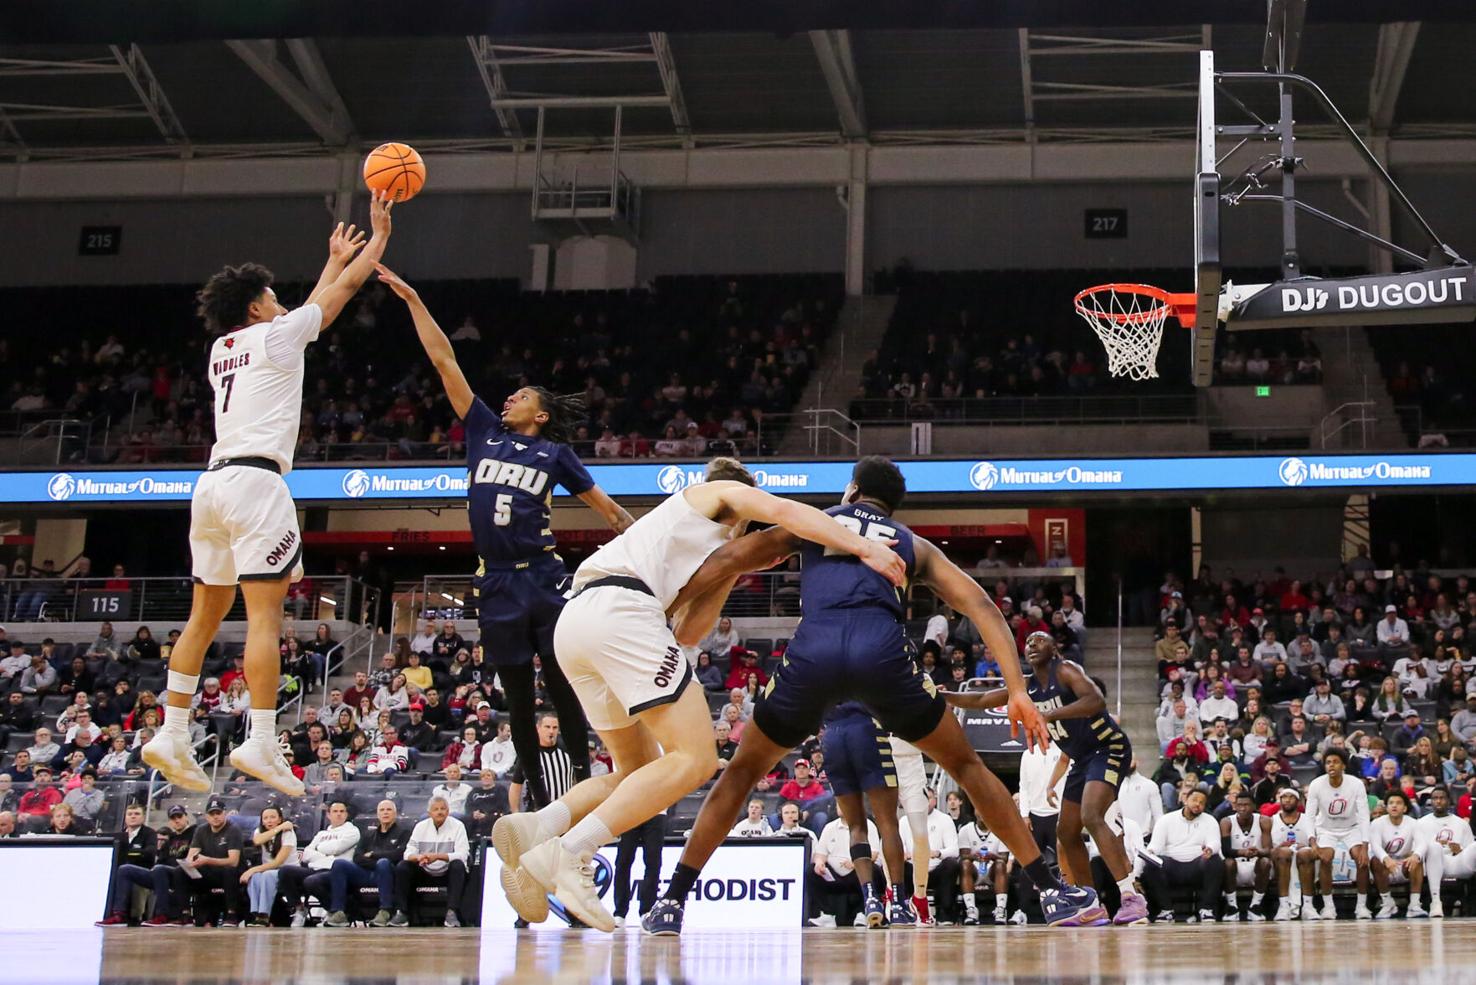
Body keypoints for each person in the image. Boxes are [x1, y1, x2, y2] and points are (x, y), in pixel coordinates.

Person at [632, 457, 1098, 937]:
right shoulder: (913, 544)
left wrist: (662, 607)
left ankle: (672, 902)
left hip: (816, 650)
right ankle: (1050, 891)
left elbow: (727, 560)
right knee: (965, 767)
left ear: (851, 490)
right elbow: (980, 604)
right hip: (883, 654)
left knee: (744, 770)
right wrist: (1017, 689)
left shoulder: (817, 520)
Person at [493, 455, 910, 932]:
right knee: (695, 759)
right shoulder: (712, 492)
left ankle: (540, 827)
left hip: (578, 621)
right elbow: (793, 512)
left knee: (638, 770)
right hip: (623, 611)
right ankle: (569, 852)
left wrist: (733, 565)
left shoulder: (682, 543)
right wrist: (863, 547)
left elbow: (689, 631)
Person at [143, 197, 394, 796]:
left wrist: (328, 262)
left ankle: (172, 730)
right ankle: (259, 739)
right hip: (257, 485)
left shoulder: (222, 350)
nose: (283, 303)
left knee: (203, 616)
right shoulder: (278, 337)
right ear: (258, 306)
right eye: (273, 297)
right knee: (265, 617)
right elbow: (338, 297)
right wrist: (378, 238)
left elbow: (304, 309)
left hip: (210, 486)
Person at [377, 265, 633, 812]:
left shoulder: (554, 454)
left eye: (520, 396)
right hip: (495, 583)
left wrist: (640, 539)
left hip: (543, 575)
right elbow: (445, 361)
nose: (510, 397)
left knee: (563, 686)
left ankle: (585, 780)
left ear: (539, 414)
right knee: (516, 699)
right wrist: (415, 299)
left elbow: (606, 508)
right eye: (510, 394)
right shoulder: (484, 432)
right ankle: (539, 796)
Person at [988, 633, 1147, 924]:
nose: (1032, 644)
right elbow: (986, 697)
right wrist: (940, 696)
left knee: (1091, 815)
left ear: (1055, 648)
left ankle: (1131, 897)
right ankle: (1090, 903)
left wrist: (1050, 716)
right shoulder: (1026, 687)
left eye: (1039, 640)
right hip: (1082, 758)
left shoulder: (1066, 671)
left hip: (1108, 747)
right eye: (1029, 642)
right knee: (1066, 832)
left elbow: (1095, 700)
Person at [819, 702, 911, 927]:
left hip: (831, 736)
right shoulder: (866, 665)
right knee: (888, 823)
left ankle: (870, 899)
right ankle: (898, 905)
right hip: (865, 729)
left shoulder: (819, 665)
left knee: (855, 826)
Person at [1305, 749, 1373, 920]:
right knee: (1325, 858)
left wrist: (1365, 845)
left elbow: (1364, 815)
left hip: (1352, 827)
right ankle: (1328, 907)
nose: (1331, 765)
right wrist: (1313, 842)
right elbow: (1310, 816)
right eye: (1328, 762)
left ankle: (1361, 906)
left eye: (1335, 762)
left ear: (1343, 765)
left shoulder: (1356, 784)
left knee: (1362, 860)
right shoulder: (1316, 784)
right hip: (1326, 829)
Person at [324, 799, 410, 928]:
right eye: (382, 810)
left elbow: (399, 855)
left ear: (395, 813)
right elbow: (357, 857)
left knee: (383, 863)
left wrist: (373, 855)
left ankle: (385, 911)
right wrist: (377, 860)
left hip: (389, 874)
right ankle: (338, 912)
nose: (385, 813)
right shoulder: (368, 834)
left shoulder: (404, 832)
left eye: (389, 810)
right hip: (367, 872)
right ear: (377, 814)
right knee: (340, 864)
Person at [1143, 788, 1223, 923]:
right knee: (1152, 863)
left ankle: (1206, 909)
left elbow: (1214, 842)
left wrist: (1210, 849)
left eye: (1202, 803)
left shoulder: (1210, 820)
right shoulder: (1166, 819)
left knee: (1215, 861)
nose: (1198, 804)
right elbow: (1156, 844)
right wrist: (1151, 851)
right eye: (1195, 800)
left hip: (1197, 864)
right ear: (1185, 800)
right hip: (1172, 864)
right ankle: (1166, 910)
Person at [278, 800, 361, 927]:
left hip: (337, 871)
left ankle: (337, 912)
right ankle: (299, 909)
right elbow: (306, 853)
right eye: (335, 811)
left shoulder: (352, 831)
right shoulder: (322, 833)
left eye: (341, 811)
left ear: (346, 814)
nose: (338, 814)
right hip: (316, 868)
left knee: (311, 881)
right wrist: (325, 854)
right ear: (328, 815)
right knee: (285, 871)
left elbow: (337, 848)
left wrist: (319, 849)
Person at [391, 796, 469, 928]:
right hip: (425, 870)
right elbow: (407, 854)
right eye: (436, 809)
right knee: (403, 866)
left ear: (448, 811)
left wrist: (438, 856)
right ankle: (402, 913)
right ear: (429, 813)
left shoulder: (458, 826)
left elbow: (463, 855)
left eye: (443, 809)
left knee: (458, 865)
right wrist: (419, 857)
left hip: (447, 871)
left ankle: (452, 913)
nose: (440, 812)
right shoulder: (420, 827)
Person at [888, 733, 938, 924]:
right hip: (884, 758)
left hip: (912, 761)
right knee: (888, 829)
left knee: (920, 833)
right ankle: (890, 893)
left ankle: (920, 896)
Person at [95, 803, 160, 925]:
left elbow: (149, 853)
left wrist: (128, 853)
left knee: (124, 870)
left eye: (137, 814)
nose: (133, 817)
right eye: (130, 814)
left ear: (143, 817)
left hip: (143, 872)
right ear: (125, 817)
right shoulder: (119, 835)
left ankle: (120, 914)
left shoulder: (149, 833)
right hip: (120, 871)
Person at [186, 797, 246, 926]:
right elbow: (191, 856)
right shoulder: (201, 830)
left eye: (218, 813)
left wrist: (207, 860)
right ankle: (183, 915)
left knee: (229, 871)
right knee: (181, 871)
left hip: (233, 873)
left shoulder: (233, 830)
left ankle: (231, 914)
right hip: (211, 872)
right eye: (212, 814)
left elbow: (233, 861)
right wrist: (191, 862)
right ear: (207, 817)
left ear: (225, 813)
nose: (215, 817)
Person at [1417, 785, 1474, 918]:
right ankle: (1436, 902)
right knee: (1434, 847)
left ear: (1448, 800)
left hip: (1455, 862)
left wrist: (1460, 850)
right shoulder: (1421, 823)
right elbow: (1416, 850)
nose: (1438, 801)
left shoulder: (1461, 823)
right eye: (1435, 798)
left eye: (1442, 798)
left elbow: (1470, 850)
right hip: (1431, 865)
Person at [1369, 790, 1427, 919]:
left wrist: (1415, 855)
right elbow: (1375, 846)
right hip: (1386, 867)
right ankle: (1387, 903)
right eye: (1391, 803)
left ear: (1405, 808)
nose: (1394, 806)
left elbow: (1422, 844)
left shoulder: (1413, 823)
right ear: (1387, 807)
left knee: (1417, 859)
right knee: (1375, 860)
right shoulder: (1377, 823)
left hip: (1405, 865)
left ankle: (1414, 905)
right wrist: (1386, 858)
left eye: (1398, 803)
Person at [506, 712, 578, 812]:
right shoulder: (529, 755)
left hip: (565, 810)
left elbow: (576, 781)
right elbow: (516, 786)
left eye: (555, 727)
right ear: (538, 728)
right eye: (547, 727)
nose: (551, 731)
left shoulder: (568, 752)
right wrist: (515, 812)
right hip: (538, 812)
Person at [241, 805, 297, 926]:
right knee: (255, 877)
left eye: (273, 817)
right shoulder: (259, 831)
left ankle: (264, 915)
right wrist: (279, 827)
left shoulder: (288, 833)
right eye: (265, 818)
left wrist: (253, 869)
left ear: (280, 818)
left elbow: (278, 862)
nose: (269, 820)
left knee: (267, 875)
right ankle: (255, 914)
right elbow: (257, 840)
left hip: (288, 871)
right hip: (268, 869)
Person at [1220, 791, 1271, 920]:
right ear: (1234, 806)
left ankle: (1255, 906)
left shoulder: (1264, 820)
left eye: (1246, 805)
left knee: (1265, 862)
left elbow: (1268, 849)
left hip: (1255, 865)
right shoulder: (1227, 822)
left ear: (1254, 806)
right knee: (1227, 862)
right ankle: (1232, 907)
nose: (1242, 808)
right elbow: (1226, 851)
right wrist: (1243, 852)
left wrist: (1257, 852)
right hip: (1235, 867)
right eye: (1239, 805)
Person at [611, 813, 666, 929]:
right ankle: (620, 913)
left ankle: (647, 912)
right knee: (623, 862)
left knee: (653, 863)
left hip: (656, 812)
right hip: (631, 810)